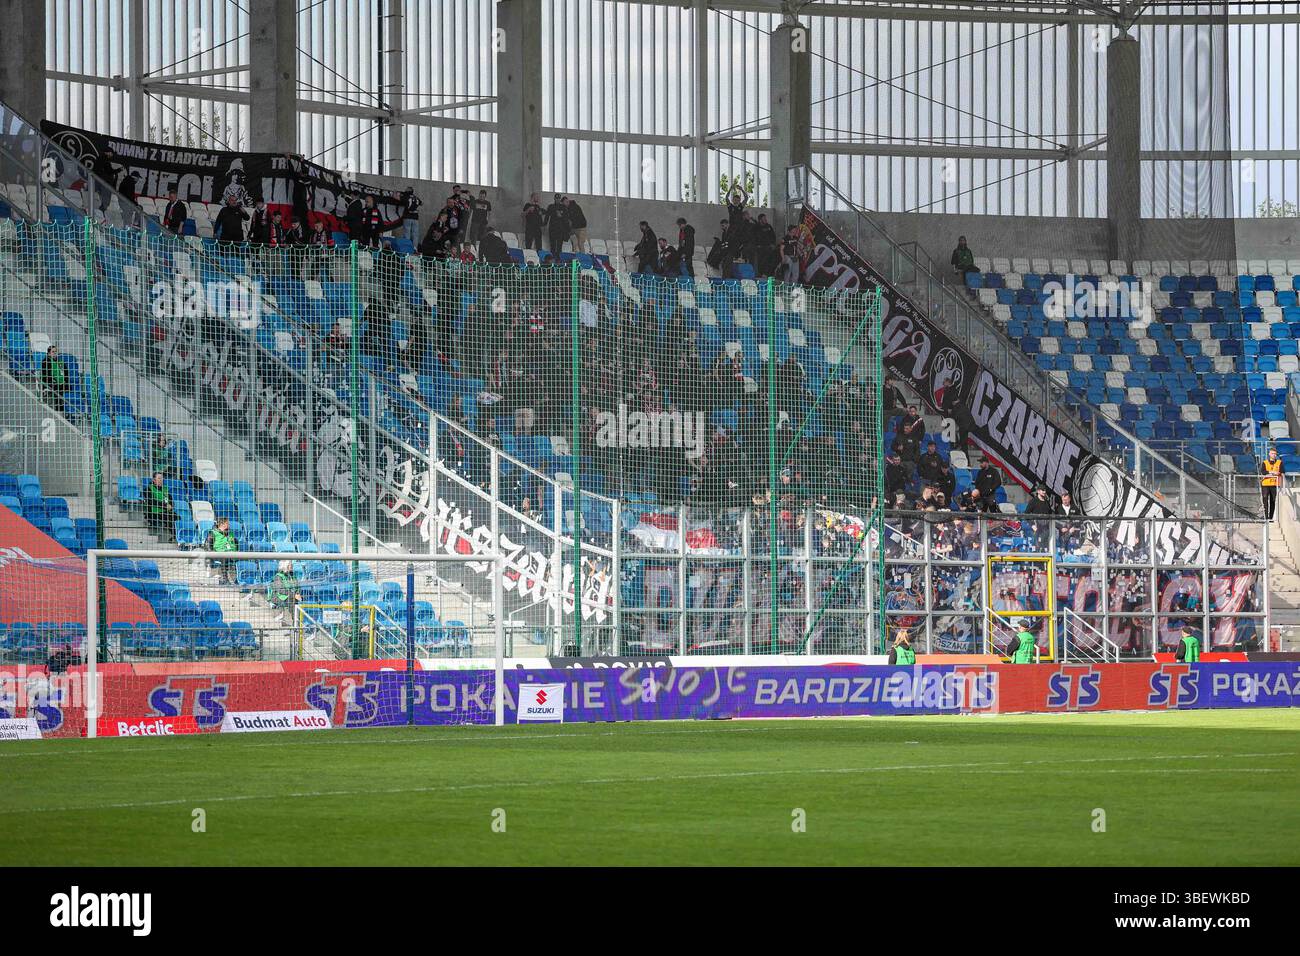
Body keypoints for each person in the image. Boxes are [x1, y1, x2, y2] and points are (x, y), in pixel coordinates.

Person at [204, 515, 238, 584]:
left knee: (243, 558)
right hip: (218, 554)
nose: (229, 525)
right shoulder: (213, 533)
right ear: (222, 524)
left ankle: (239, 579)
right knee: (224, 558)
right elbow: (208, 546)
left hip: (231, 553)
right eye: (227, 523)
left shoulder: (230, 533)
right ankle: (224, 579)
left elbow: (236, 543)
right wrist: (214, 553)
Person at [144, 471, 176, 537]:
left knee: (177, 517)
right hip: (154, 512)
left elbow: (170, 500)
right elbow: (152, 501)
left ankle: (177, 536)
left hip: (165, 511)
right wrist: (165, 505)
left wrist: (171, 505)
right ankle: (174, 536)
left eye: (162, 478)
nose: (161, 480)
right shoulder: (148, 489)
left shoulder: (165, 489)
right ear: (154, 480)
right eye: (159, 478)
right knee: (169, 518)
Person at [38, 346, 69, 414]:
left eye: (55, 352)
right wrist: (55, 381)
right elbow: (45, 375)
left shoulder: (60, 361)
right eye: (53, 352)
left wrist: (65, 380)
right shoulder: (45, 361)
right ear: (48, 353)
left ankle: (64, 410)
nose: (55, 353)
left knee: (67, 387)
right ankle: (59, 410)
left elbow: (66, 372)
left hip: (61, 383)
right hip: (50, 383)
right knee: (58, 389)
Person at [1261, 446, 1284, 520]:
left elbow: (1282, 472)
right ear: (1269, 454)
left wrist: (1271, 474)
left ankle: (1270, 518)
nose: (1273, 455)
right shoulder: (1264, 462)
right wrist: (1272, 472)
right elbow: (1263, 472)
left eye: (1275, 454)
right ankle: (1265, 517)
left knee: (1273, 501)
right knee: (1265, 500)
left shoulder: (1279, 462)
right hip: (1265, 484)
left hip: (1274, 484)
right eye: (1272, 453)